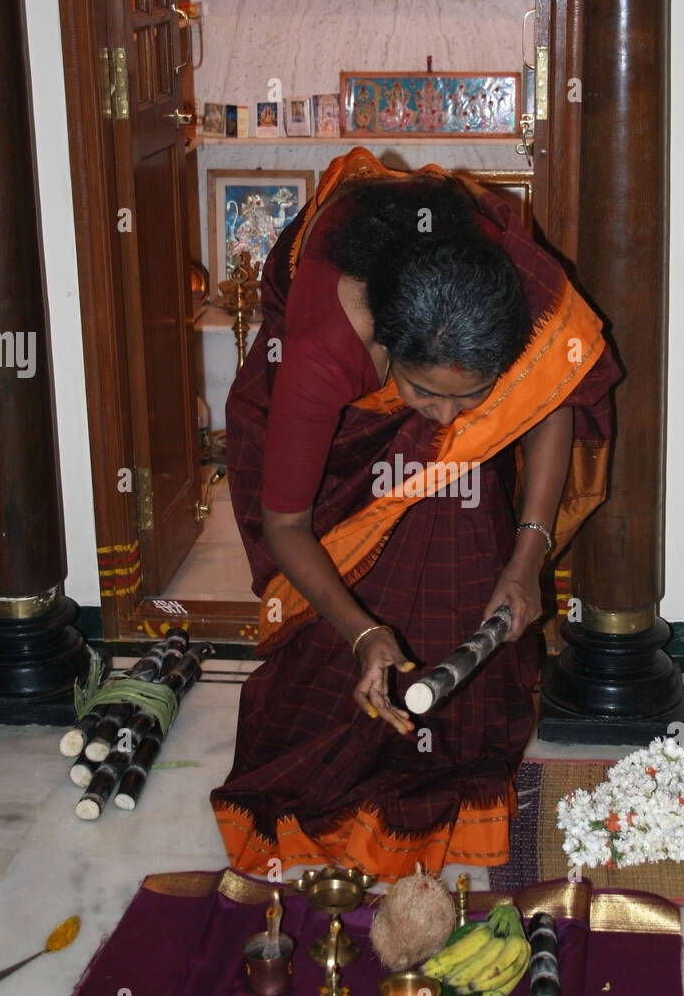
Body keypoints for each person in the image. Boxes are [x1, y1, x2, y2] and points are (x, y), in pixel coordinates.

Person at [211, 148, 620, 881]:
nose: (447, 419)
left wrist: (527, 560)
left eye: (473, 400)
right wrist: (365, 632)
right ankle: (331, 793)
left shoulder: (505, 295)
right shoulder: (320, 354)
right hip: (321, 448)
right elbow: (288, 525)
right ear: (386, 346)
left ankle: (451, 793)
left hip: (438, 316)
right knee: (338, 620)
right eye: (427, 395)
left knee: (465, 558)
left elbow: (550, 395)